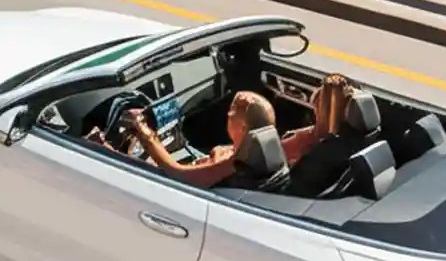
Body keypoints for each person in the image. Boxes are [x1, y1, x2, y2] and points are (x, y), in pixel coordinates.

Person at [91, 73, 352, 189]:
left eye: (232, 112)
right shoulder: (278, 150)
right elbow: (317, 133)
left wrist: (145, 133)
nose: (228, 113)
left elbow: (177, 174)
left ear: (242, 127)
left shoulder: (240, 163)